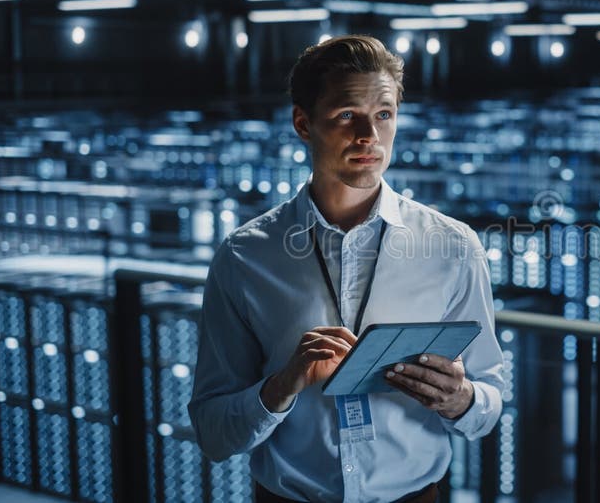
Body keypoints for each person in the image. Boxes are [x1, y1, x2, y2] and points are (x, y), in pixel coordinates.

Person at [188, 35, 505, 503]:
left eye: (383, 115)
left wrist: (461, 400)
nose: (369, 137)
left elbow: (490, 405)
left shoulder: (453, 247)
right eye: (346, 116)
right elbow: (214, 434)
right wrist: (281, 387)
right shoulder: (245, 257)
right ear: (303, 123)